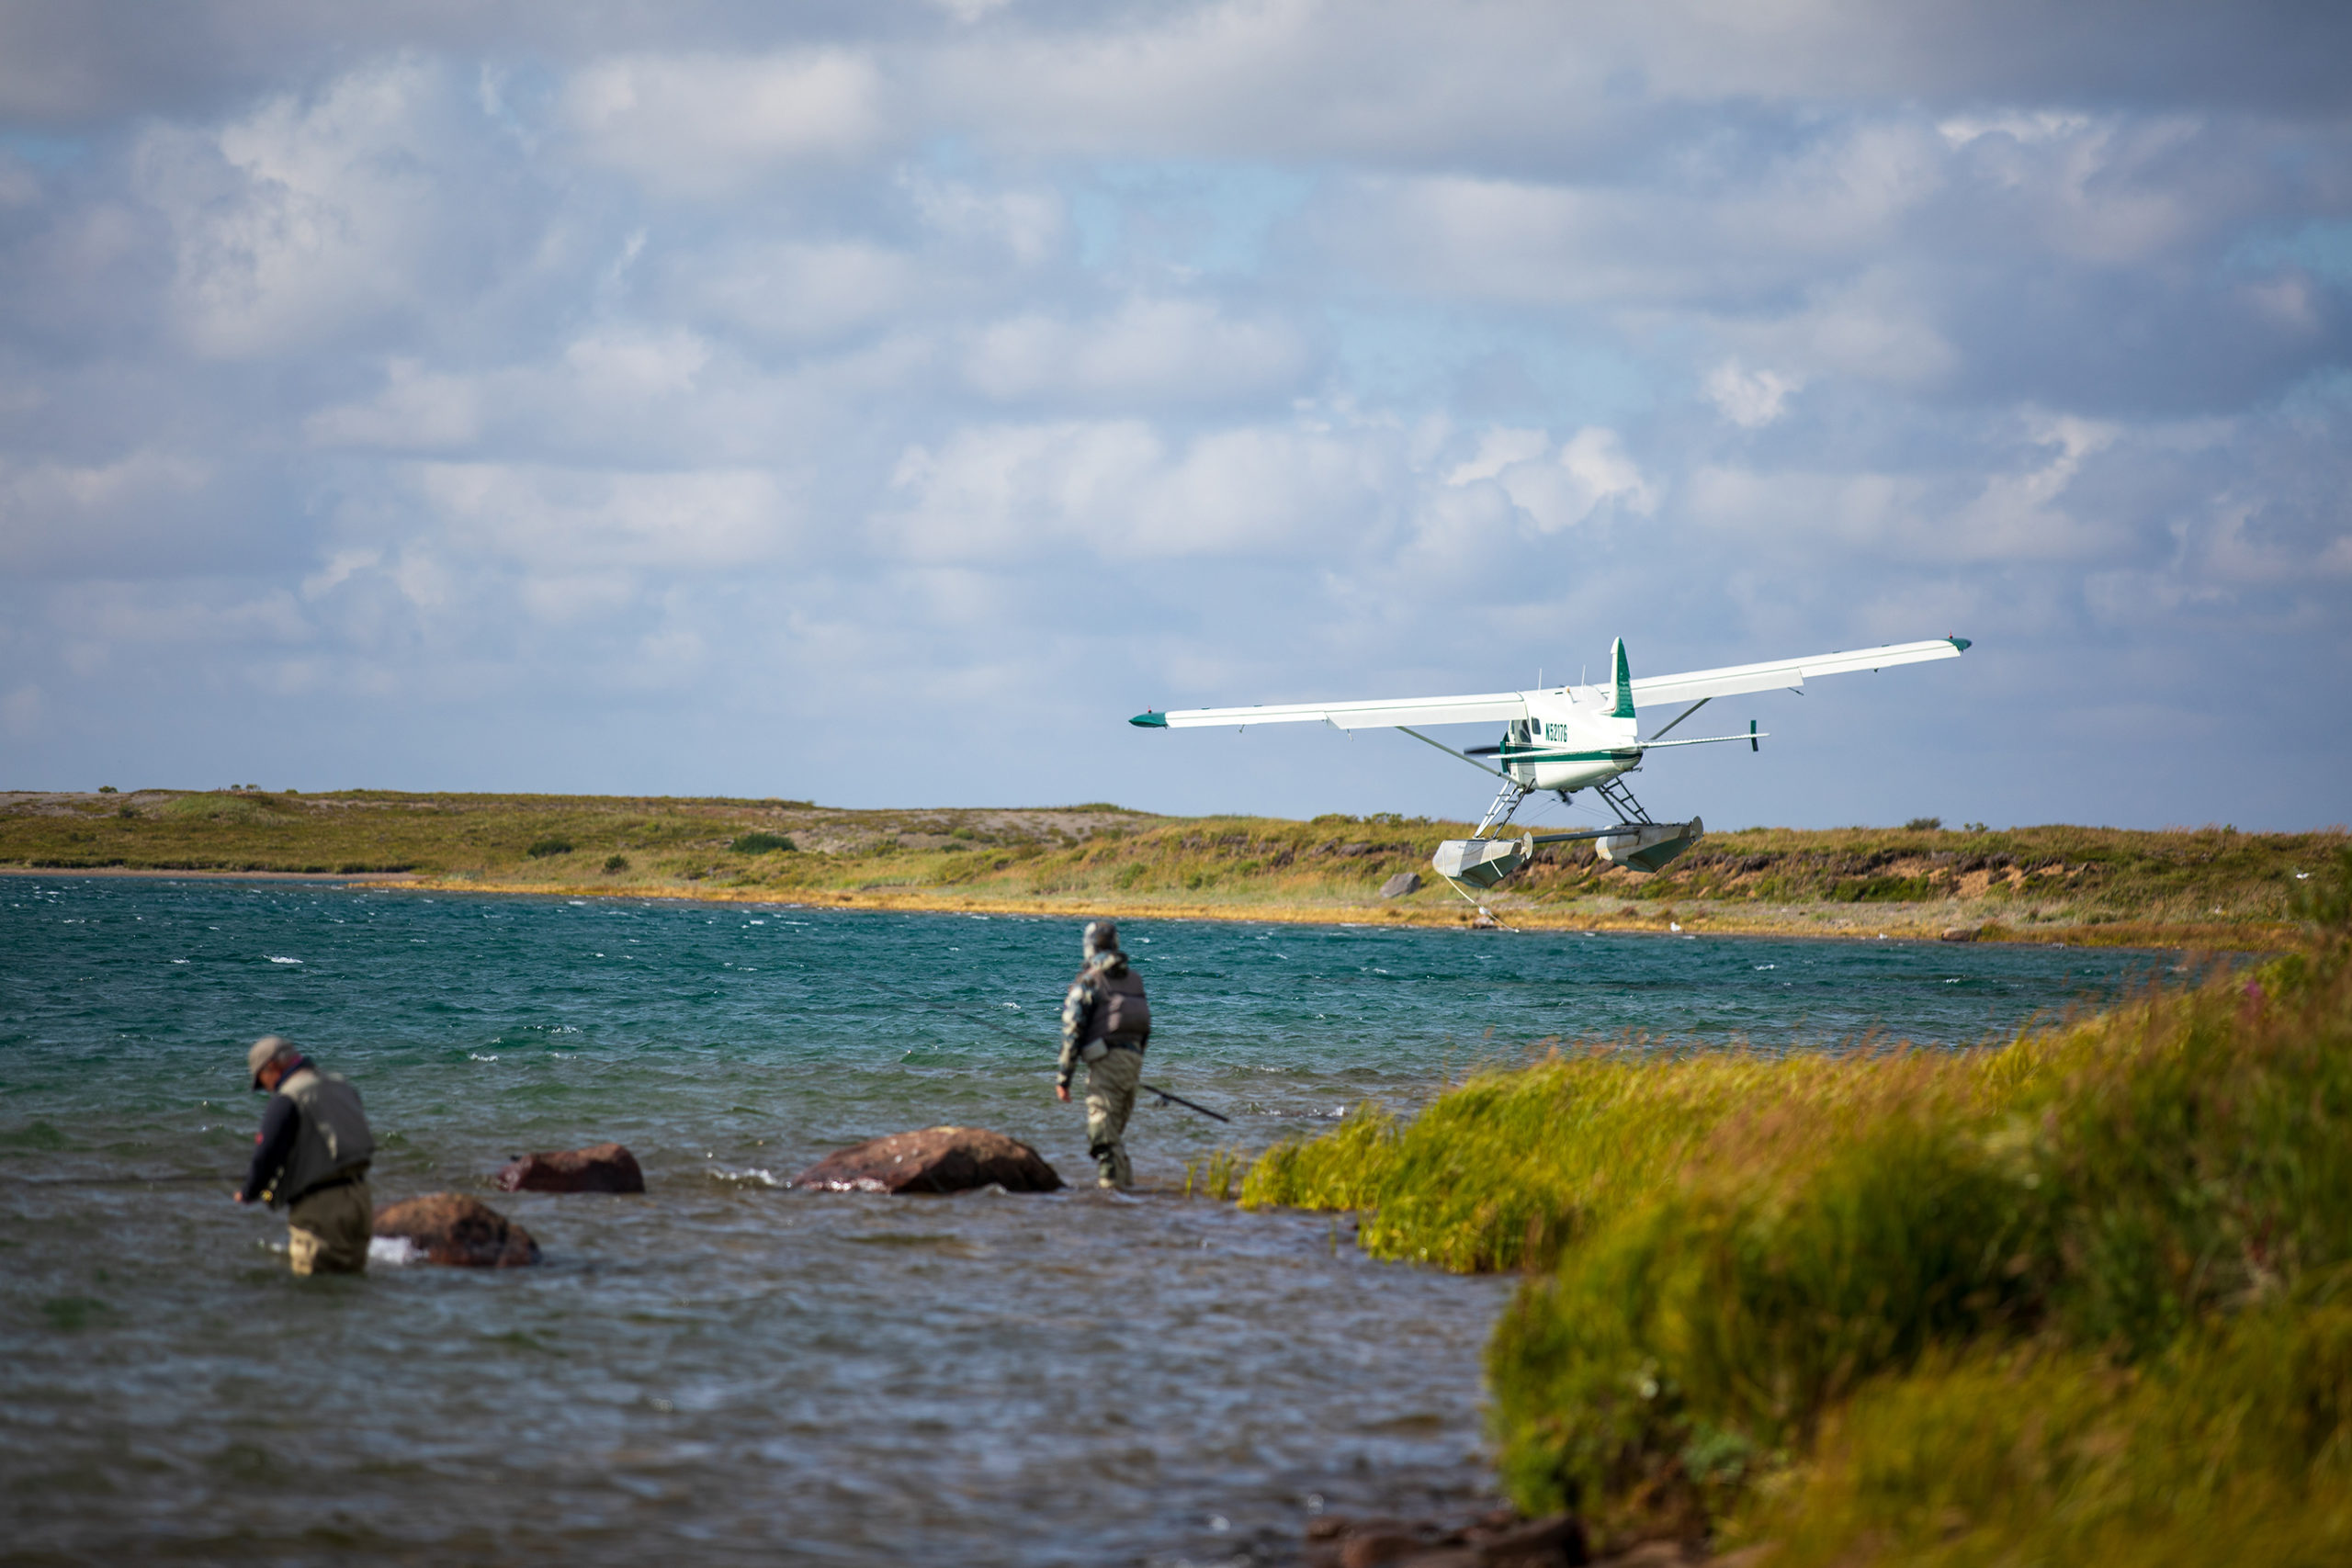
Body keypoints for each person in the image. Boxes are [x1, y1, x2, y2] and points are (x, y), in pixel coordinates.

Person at [233, 1035, 377, 1275]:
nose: (267, 1088)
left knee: (314, 1296)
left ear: (272, 1067)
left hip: (320, 1210)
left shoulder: (288, 1098)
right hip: (360, 1200)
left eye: (262, 1080)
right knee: (352, 1291)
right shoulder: (340, 1084)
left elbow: (267, 1154)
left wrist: (250, 1191)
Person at [1056, 919, 1151, 1190]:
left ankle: (1110, 1197)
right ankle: (1127, 1192)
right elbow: (1144, 1028)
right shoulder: (1134, 980)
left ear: (1090, 948)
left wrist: (1064, 1078)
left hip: (1107, 1064)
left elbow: (1072, 1032)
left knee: (1103, 1136)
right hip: (1133, 1063)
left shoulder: (1089, 981)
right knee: (1114, 1136)